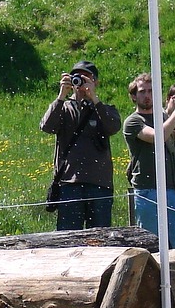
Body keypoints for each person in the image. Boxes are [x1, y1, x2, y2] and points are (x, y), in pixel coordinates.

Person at [40, 60, 123, 231]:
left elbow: (113, 127)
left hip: (100, 185)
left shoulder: (105, 109)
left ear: (96, 82)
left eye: (87, 78)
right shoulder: (64, 108)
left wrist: (94, 99)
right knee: (68, 239)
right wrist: (61, 95)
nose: (81, 82)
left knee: (100, 239)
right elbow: (47, 126)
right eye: (77, 77)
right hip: (70, 183)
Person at [122, 73, 175, 250]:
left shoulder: (162, 117)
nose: (147, 95)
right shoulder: (133, 122)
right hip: (147, 191)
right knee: (151, 245)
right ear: (133, 96)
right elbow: (157, 137)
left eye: (150, 91)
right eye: (142, 92)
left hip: (170, 189)